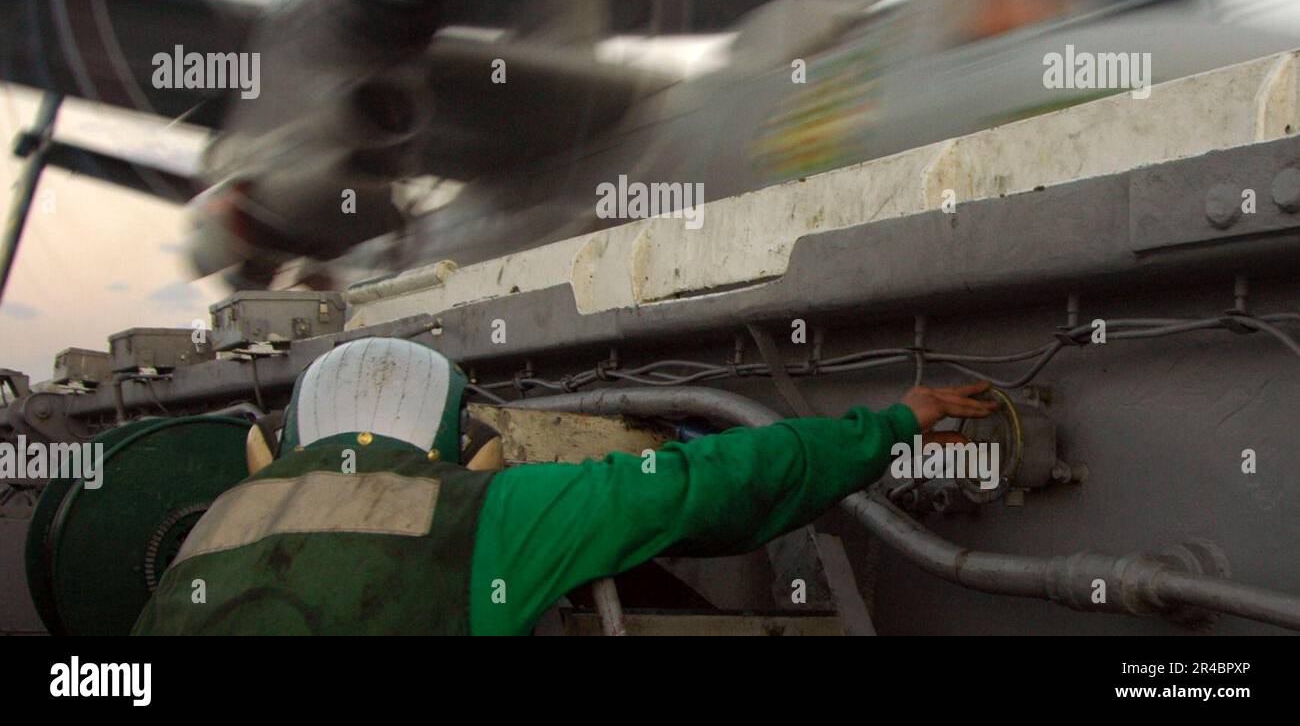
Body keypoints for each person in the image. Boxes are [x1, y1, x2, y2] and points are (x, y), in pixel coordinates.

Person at [133, 337, 993, 635]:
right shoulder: (486, 515)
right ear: (461, 438)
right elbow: (711, 484)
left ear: (274, 443)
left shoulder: (209, 533)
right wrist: (891, 425)